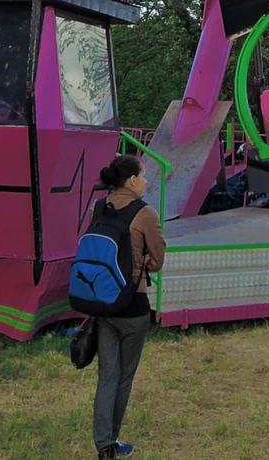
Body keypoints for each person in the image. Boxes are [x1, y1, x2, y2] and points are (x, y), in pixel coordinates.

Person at [89, 154, 166, 460]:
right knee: (124, 376)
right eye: (144, 176)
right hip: (133, 304)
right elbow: (158, 261)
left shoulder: (98, 206)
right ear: (132, 180)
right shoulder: (145, 213)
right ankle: (115, 439)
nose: (146, 181)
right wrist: (142, 261)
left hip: (103, 302)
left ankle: (104, 445)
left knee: (107, 375)